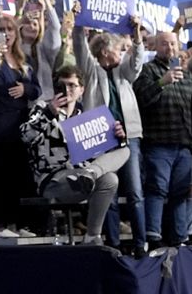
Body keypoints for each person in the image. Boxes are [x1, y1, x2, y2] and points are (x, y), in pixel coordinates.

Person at [19, 65, 129, 246]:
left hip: (84, 175)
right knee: (97, 176)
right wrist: (49, 113)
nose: (67, 90)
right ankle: (90, 175)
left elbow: (103, 155)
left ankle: (92, 236)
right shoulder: (43, 108)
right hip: (54, 179)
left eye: (72, 86)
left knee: (117, 165)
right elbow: (25, 135)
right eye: (62, 86)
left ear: (82, 90)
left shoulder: (87, 117)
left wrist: (118, 138)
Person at [72, 19, 146, 255]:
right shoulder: (91, 71)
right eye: (117, 49)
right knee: (109, 191)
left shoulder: (123, 72)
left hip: (129, 136)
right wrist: (77, 28)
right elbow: (80, 49)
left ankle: (140, 242)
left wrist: (136, 36)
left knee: (135, 192)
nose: (121, 54)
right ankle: (113, 243)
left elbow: (136, 63)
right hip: (101, 138)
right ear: (105, 51)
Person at [133, 30, 192, 248]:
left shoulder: (189, 78)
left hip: (184, 146)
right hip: (157, 144)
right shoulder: (147, 71)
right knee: (156, 190)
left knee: (181, 193)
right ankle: (153, 238)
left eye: (173, 44)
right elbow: (141, 99)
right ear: (156, 46)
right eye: (165, 44)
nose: (170, 48)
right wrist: (162, 82)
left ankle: (180, 238)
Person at [0, 15, 41, 238]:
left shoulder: (24, 60)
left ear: (16, 32)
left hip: (19, 128)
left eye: (10, 29)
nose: (6, 33)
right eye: (1, 29)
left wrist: (26, 89)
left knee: (19, 177)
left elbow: (37, 89)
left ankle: (16, 224)